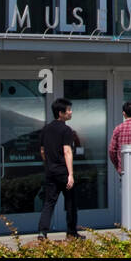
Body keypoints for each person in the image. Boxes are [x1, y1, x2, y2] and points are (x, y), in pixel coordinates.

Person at [37, 97, 82, 240]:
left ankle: (42, 232)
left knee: (49, 202)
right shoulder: (66, 130)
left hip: (50, 171)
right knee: (71, 203)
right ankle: (71, 233)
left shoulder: (46, 129)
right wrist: (71, 174)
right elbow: (67, 151)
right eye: (68, 110)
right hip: (63, 171)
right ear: (60, 113)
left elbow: (42, 151)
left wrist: (48, 164)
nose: (71, 112)